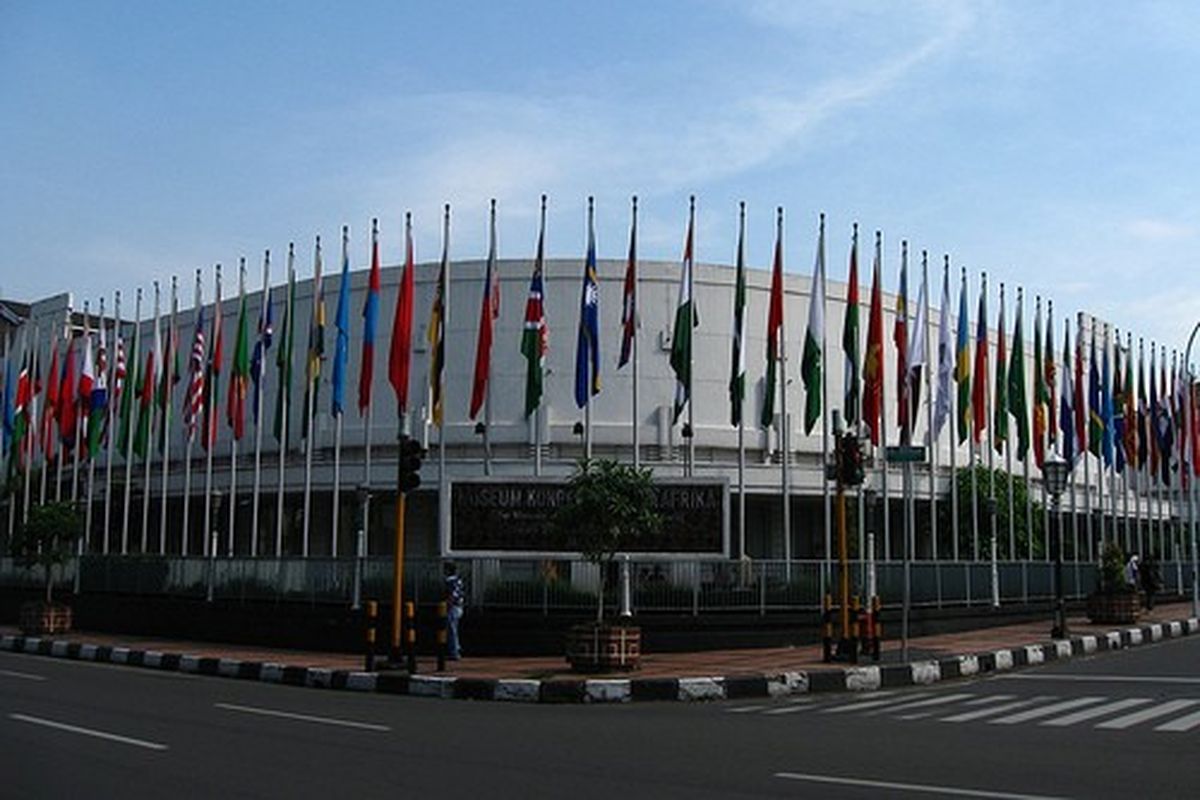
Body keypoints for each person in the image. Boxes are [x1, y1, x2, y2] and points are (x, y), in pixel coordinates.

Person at [443, 561, 465, 660]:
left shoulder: (449, 581)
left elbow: (451, 595)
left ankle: (454, 652)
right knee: (454, 629)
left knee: (451, 630)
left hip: (453, 607)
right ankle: (456, 648)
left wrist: (448, 605)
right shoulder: (458, 580)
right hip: (460, 606)